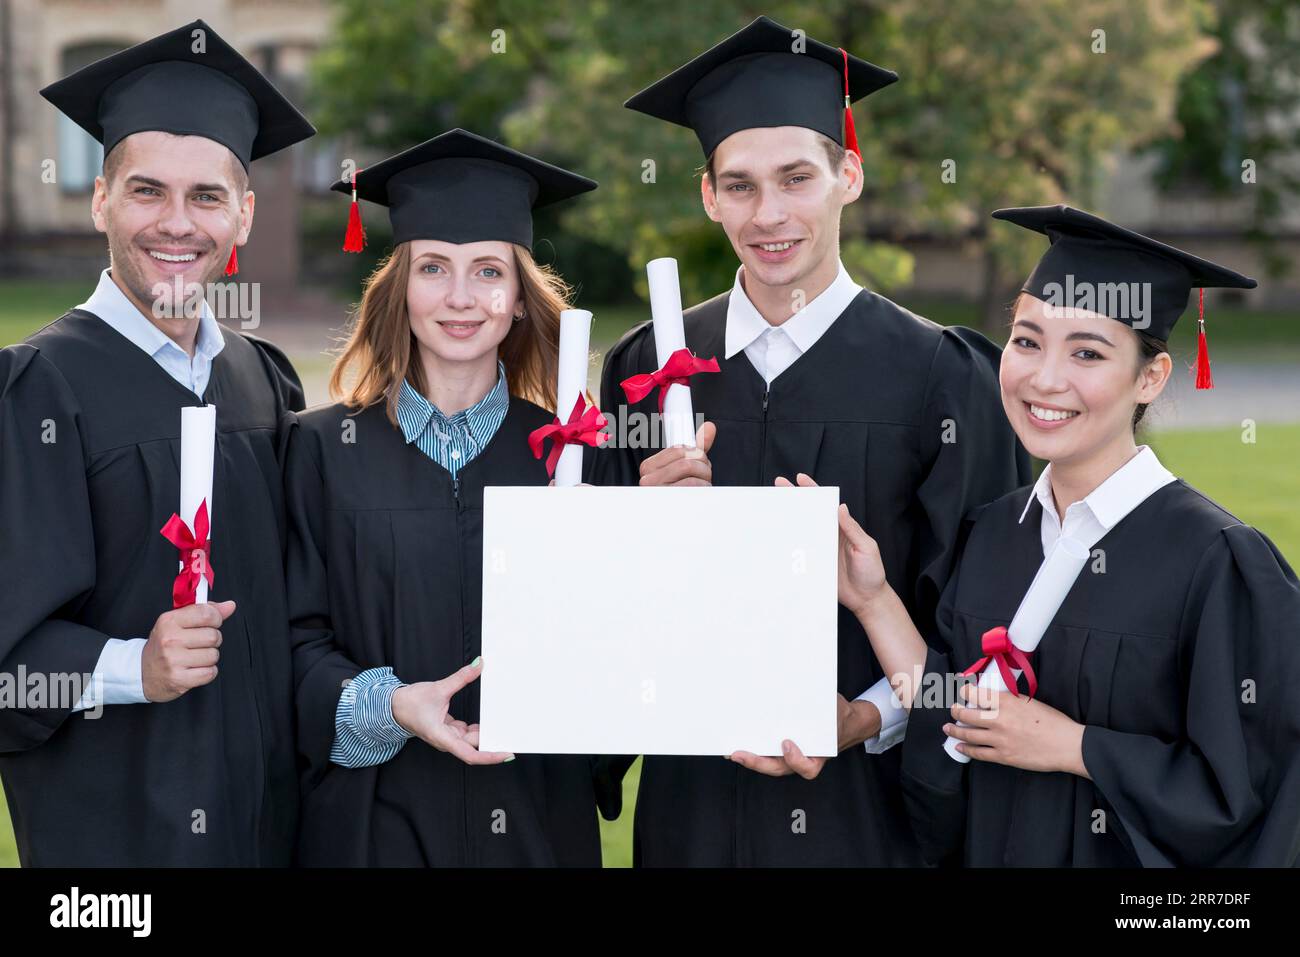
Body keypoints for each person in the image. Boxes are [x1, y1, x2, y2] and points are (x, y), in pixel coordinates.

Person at [596, 16, 1030, 866]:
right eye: (741, 185)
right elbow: (601, 611)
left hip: (867, 808)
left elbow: (986, 624)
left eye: (797, 178)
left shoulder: (941, 374)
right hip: (689, 804)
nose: (770, 215)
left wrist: (864, 716)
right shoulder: (649, 366)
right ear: (708, 196)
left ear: (848, 176)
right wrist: (633, 530)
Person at [818, 204, 1300, 866]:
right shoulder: (992, 534)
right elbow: (955, 718)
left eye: (1087, 353)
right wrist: (874, 600)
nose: (1045, 378)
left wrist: (1074, 746)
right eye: (1026, 340)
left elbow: (1250, 792)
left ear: (1149, 378)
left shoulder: (1216, 561)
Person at [0, 19, 312, 865]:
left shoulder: (263, 380)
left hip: (269, 828)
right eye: (147, 191)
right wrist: (134, 667)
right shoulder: (37, 389)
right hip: (113, 851)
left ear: (242, 214)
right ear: (101, 199)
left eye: (207, 196)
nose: (177, 224)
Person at [287, 129, 616, 866]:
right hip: (373, 830)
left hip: (538, 823)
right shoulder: (319, 451)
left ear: (521, 301)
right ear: (399, 289)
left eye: (488, 271)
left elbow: (621, 665)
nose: (461, 297)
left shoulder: (578, 459)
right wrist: (395, 705)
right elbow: (291, 644)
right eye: (433, 267)